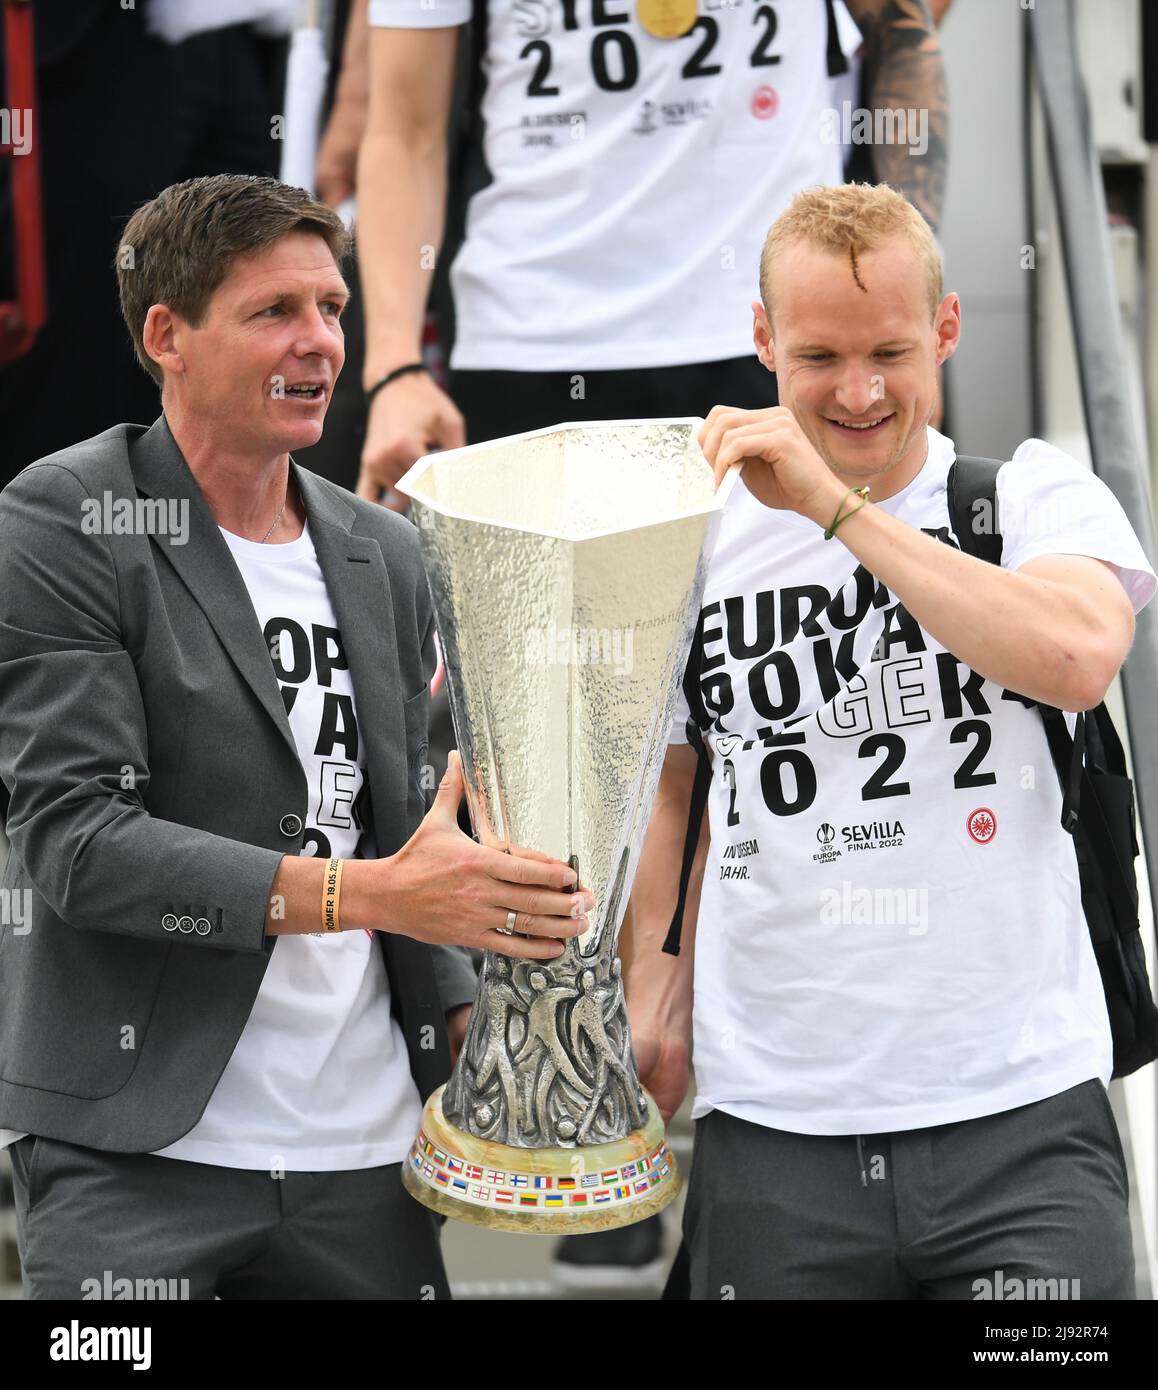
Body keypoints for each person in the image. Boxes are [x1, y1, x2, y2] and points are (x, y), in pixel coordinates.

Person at [0, 174, 594, 1300]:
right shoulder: (68, 516)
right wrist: (370, 894)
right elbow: (76, 844)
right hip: (137, 1157)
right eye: (275, 310)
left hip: (362, 1156)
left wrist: (482, 1010)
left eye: (331, 307)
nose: (319, 339)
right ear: (165, 334)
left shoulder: (385, 550)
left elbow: (413, 826)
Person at [625, 181, 1155, 1299]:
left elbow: (1074, 656)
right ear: (762, 338)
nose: (859, 391)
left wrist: (839, 512)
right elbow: (674, 785)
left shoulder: (1026, 497)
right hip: (778, 1121)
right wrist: (652, 996)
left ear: (948, 330)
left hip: (1022, 1120)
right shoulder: (687, 540)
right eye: (818, 356)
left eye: (892, 352)